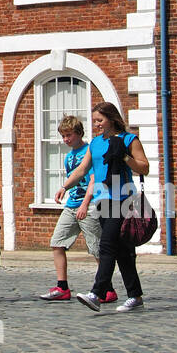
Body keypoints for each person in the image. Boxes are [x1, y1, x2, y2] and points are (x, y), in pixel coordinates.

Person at [57, 102, 150, 313]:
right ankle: (135, 296)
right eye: (95, 121)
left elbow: (144, 167)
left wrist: (124, 157)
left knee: (106, 245)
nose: (97, 124)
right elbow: (82, 170)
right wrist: (64, 186)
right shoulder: (96, 144)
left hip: (123, 199)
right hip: (102, 201)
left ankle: (97, 293)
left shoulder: (128, 140)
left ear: (112, 118)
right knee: (124, 252)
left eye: (100, 120)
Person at [39, 115, 115, 303]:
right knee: (57, 242)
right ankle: (62, 287)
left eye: (69, 135)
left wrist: (85, 204)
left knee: (96, 249)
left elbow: (92, 180)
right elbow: (75, 179)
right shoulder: (69, 156)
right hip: (71, 205)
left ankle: (107, 289)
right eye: (63, 136)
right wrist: (64, 188)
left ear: (79, 133)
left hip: (88, 207)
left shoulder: (89, 151)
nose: (66, 139)